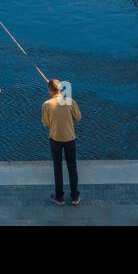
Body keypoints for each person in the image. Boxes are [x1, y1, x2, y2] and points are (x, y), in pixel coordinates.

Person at [42, 77, 81, 206]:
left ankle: (59, 197)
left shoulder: (46, 105)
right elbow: (78, 117)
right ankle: (75, 197)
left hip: (55, 139)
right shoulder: (70, 101)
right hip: (70, 139)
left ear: (50, 91)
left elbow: (46, 123)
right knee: (72, 167)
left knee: (57, 167)